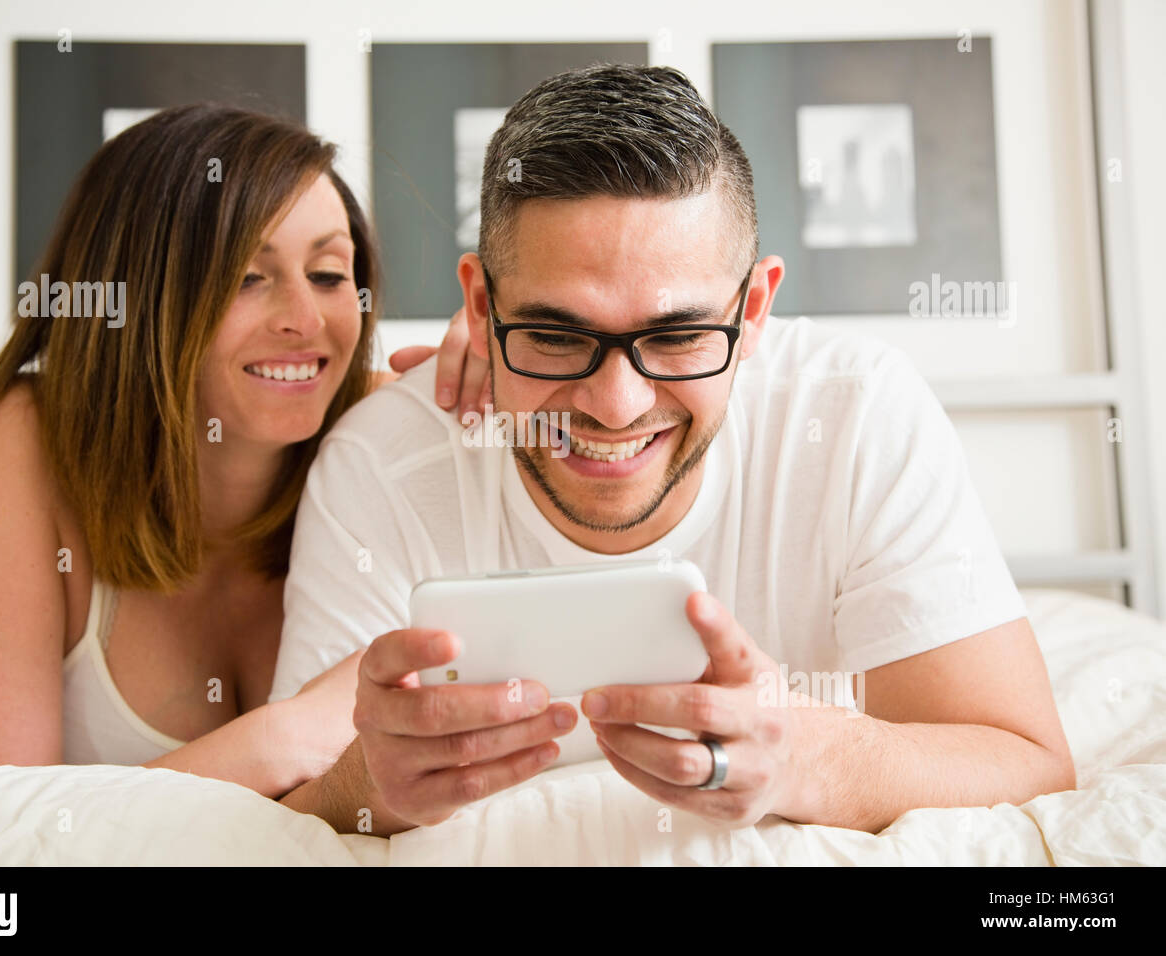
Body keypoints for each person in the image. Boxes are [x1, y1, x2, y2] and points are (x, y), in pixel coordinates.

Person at [269, 65, 1077, 834]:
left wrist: (802, 756)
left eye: (680, 335)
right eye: (554, 335)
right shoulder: (380, 461)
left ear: (754, 309)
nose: (616, 406)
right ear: (480, 307)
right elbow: (290, 804)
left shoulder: (858, 414)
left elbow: (1025, 762)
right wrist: (369, 789)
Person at [0, 104, 482, 800]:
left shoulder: (387, 427)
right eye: (248, 277)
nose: (305, 321)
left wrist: (516, 363)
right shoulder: (18, 437)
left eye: (330, 275)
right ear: (142, 297)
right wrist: (289, 734)